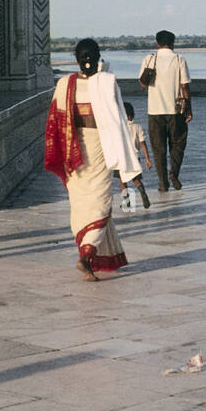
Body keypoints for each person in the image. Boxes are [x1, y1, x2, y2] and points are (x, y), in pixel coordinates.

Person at [45, 39, 141, 280]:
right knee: (91, 204)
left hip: (87, 150)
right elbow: (55, 122)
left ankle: (90, 255)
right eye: (86, 56)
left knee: (92, 203)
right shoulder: (83, 83)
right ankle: (86, 255)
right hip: (84, 151)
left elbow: (118, 119)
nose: (88, 61)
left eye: (90, 56)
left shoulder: (89, 83)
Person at [139, 30, 192, 191]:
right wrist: (189, 109)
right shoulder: (179, 59)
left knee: (158, 148)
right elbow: (185, 86)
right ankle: (173, 173)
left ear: (157, 43)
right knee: (178, 143)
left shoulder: (149, 59)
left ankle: (163, 183)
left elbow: (142, 84)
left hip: (154, 110)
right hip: (176, 110)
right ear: (173, 43)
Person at [116, 101, 153, 209]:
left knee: (122, 180)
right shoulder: (138, 127)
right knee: (135, 179)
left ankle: (127, 202)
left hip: (122, 157)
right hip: (135, 157)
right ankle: (142, 193)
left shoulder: (119, 127)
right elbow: (143, 143)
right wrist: (147, 159)